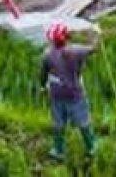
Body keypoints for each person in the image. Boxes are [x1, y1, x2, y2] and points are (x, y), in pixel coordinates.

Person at [41, 21, 101, 161]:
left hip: (56, 94)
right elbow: (94, 48)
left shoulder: (47, 54)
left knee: (58, 122)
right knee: (83, 120)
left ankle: (58, 150)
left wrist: (42, 86)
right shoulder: (77, 51)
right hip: (75, 94)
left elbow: (43, 74)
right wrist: (96, 33)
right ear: (67, 37)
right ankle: (91, 147)